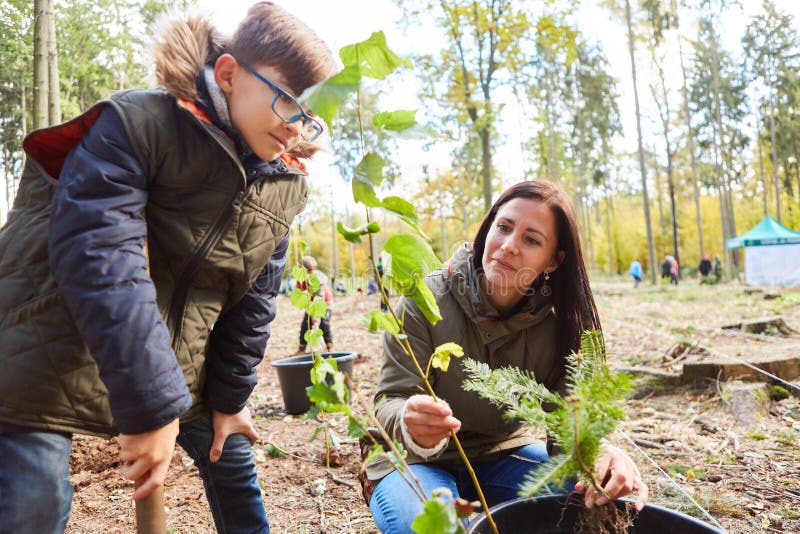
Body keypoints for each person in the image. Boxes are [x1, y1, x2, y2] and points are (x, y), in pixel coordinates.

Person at [0, 5, 335, 533]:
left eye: (307, 114)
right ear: (228, 75)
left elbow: (253, 303)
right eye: (286, 100)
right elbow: (101, 259)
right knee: (31, 497)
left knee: (234, 457)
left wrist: (228, 399)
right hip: (51, 334)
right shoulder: (138, 123)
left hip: (179, 355)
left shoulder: (282, 186)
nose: (297, 127)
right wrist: (152, 408)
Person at [364, 181, 648, 532]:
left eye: (531, 240)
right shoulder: (424, 300)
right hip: (411, 461)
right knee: (436, 528)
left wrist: (598, 452)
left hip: (501, 455)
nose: (509, 246)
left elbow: (568, 426)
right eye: (504, 227)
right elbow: (389, 400)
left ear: (554, 260)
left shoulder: (562, 328)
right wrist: (408, 420)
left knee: (603, 503)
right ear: (488, 229)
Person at [294, 255, 334, 354]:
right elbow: (300, 292)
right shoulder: (300, 279)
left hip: (324, 303)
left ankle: (329, 346)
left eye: (311, 271)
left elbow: (319, 298)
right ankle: (301, 348)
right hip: (310, 304)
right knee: (305, 325)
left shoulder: (317, 279)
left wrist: (316, 318)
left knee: (324, 324)